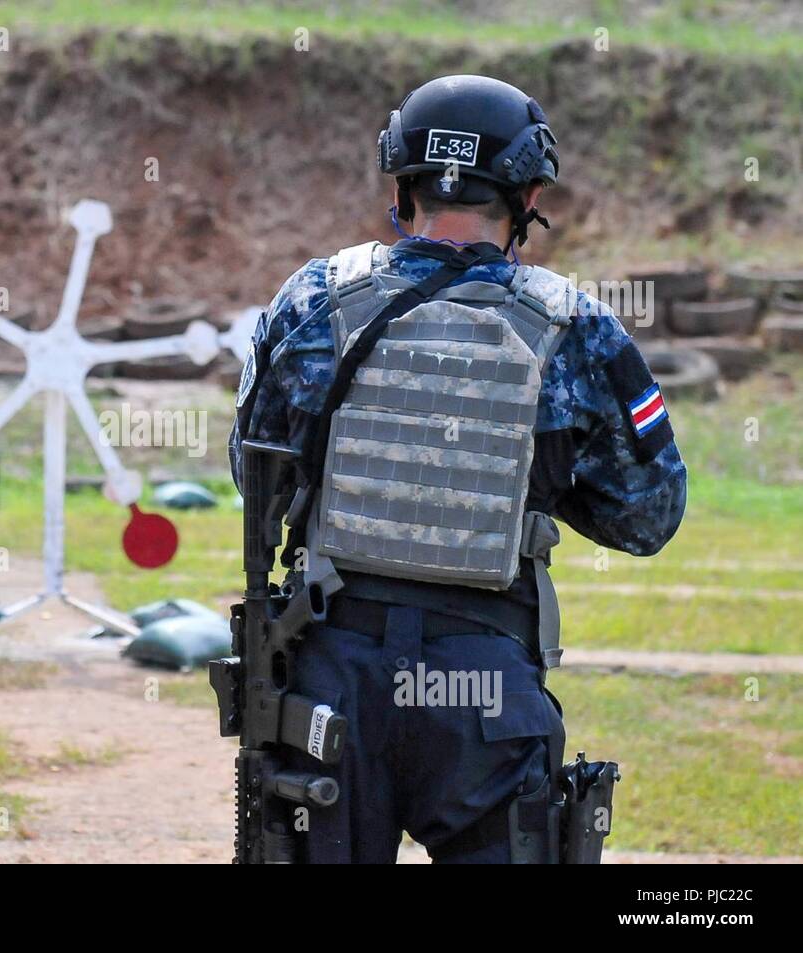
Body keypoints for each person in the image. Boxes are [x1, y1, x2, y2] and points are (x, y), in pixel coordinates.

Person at [228, 74, 686, 863]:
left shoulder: (311, 300)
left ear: (402, 186)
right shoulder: (576, 326)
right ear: (529, 193)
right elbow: (648, 515)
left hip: (331, 680)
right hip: (484, 692)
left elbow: (256, 478)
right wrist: (532, 478)